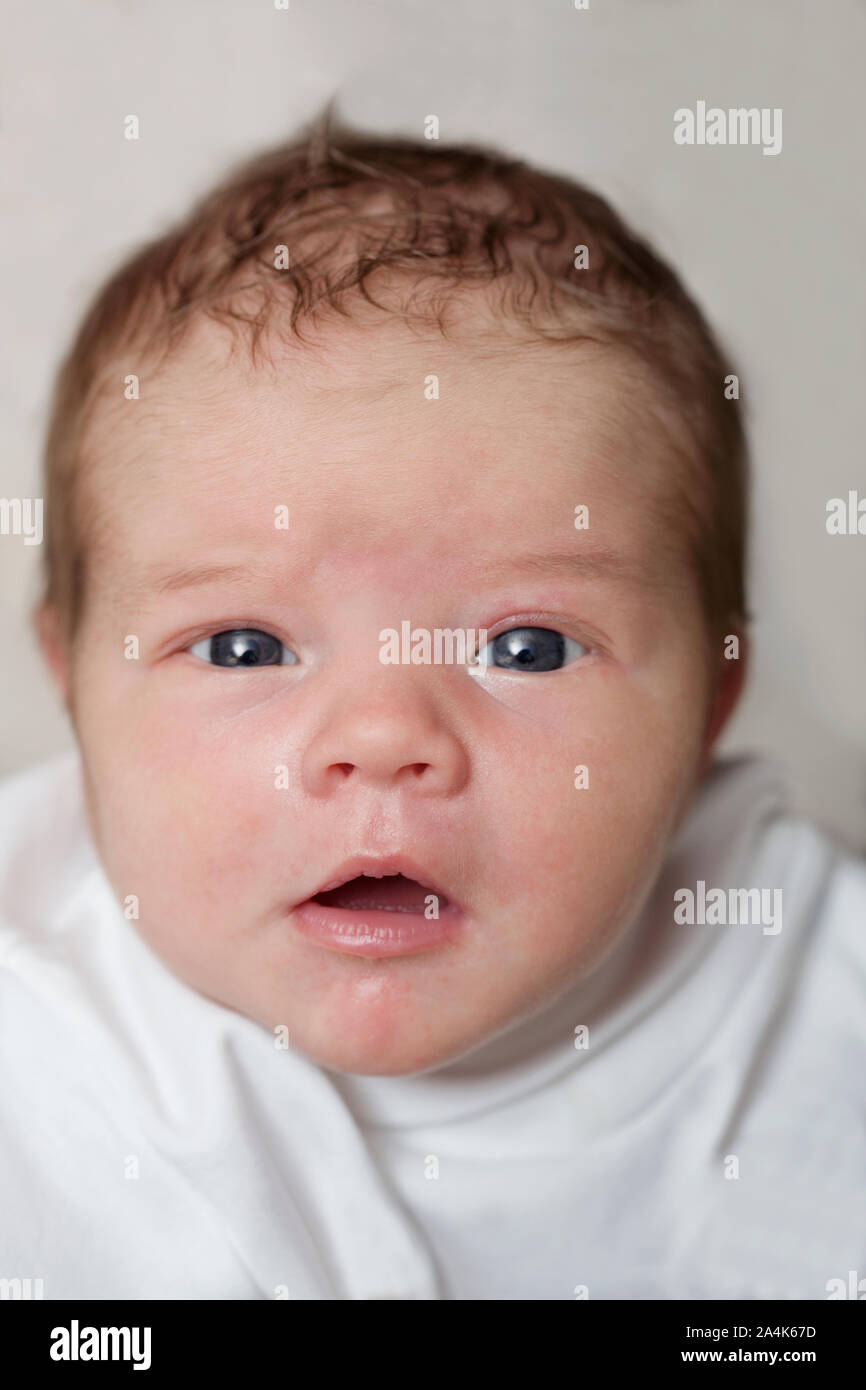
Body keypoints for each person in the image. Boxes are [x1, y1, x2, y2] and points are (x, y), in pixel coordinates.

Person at [1, 111, 863, 1300]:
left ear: (711, 701)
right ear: (74, 684)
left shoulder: (816, 1009)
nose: (380, 739)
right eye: (245, 646)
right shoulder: (36, 1050)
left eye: (527, 645)